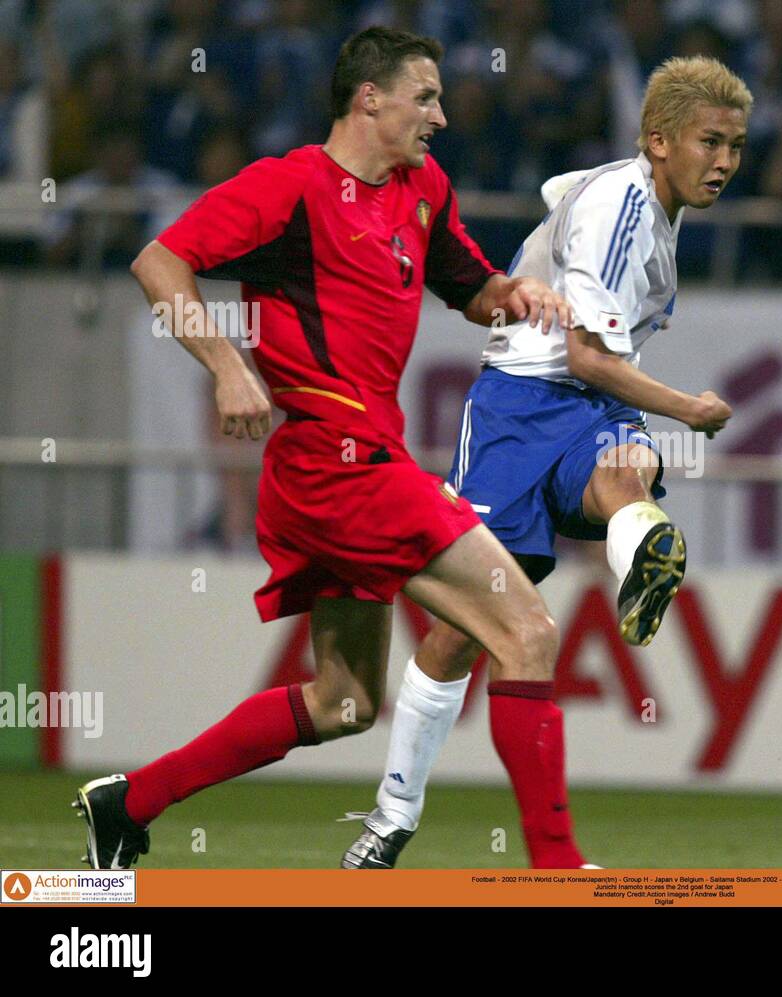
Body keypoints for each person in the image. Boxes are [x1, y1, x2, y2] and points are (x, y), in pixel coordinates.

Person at [73, 26, 593, 871]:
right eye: (425, 96)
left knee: (346, 702)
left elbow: (472, 289)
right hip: (333, 462)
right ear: (369, 98)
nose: (442, 115)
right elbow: (158, 262)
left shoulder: (422, 188)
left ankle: (128, 803)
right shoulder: (289, 188)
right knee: (526, 629)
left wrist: (517, 293)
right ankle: (560, 873)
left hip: (351, 468)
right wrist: (224, 364)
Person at [341, 54, 748, 869]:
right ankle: (390, 818)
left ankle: (642, 555)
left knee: (626, 475)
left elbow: (562, 202)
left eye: (737, 145)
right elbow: (593, 357)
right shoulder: (622, 210)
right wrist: (692, 410)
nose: (728, 162)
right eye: (712, 142)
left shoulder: (648, 203)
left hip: (589, 408)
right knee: (462, 634)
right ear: (660, 141)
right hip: (520, 409)